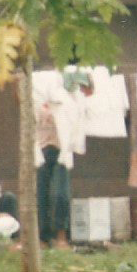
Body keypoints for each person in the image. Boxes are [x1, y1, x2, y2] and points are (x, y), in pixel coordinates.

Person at [33, 71, 92, 249]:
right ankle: (42, 237)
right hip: (41, 150)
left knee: (60, 194)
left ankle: (61, 236)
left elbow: (89, 92)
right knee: (41, 194)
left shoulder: (68, 102)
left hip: (61, 151)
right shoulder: (36, 101)